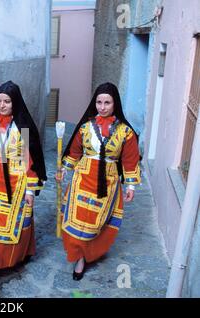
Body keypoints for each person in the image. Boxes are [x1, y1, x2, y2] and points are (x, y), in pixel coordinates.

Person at [55, 82, 141, 280]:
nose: (102, 107)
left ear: (114, 104)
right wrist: (64, 169)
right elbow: (75, 152)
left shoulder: (125, 132)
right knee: (76, 218)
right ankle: (79, 258)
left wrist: (130, 185)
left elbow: (129, 160)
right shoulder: (85, 128)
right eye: (99, 102)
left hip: (107, 181)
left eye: (107, 103)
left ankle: (88, 252)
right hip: (82, 178)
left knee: (96, 223)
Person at [0, 81, 47, 291]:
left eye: (7, 101)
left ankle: (16, 257)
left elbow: (29, 161)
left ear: (15, 103)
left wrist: (31, 190)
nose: (2, 105)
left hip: (17, 182)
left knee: (20, 223)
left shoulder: (22, 129)